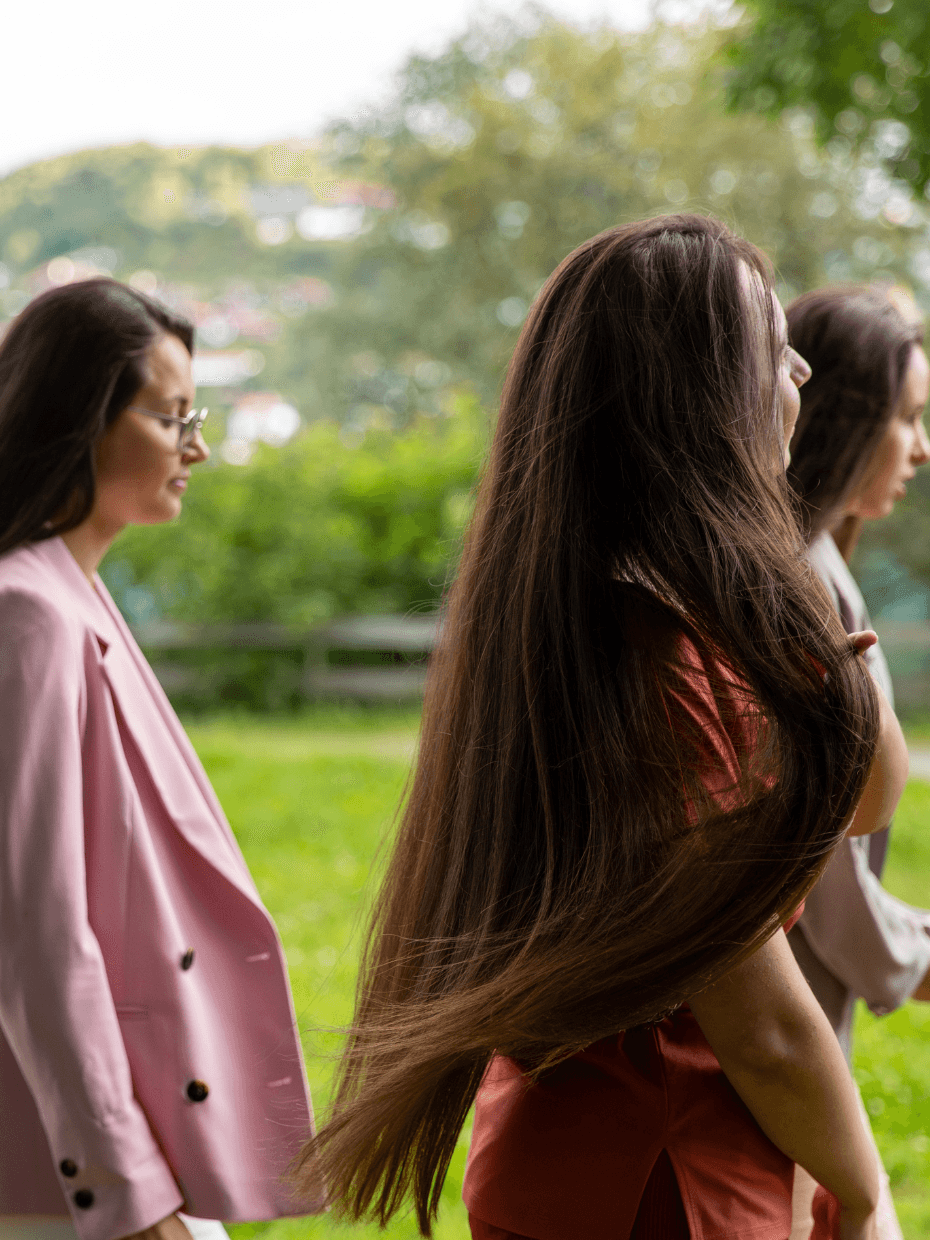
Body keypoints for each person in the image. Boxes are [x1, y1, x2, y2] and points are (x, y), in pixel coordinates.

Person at [295, 215, 909, 1240]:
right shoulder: (660, 664)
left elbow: (865, 802)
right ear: (701, 393)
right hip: (657, 1176)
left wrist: (784, 555)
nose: (801, 367)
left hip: (612, 1160)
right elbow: (761, 1027)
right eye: (771, 344)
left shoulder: (619, 614)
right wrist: (871, 1194)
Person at [0, 279, 320, 1240]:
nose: (199, 447)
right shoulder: (29, 614)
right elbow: (34, 930)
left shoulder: (71, 595)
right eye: (173, 415)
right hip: (64, 1179)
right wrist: (125, 1191)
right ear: (80, 418)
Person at [785, 284, 930, 1238]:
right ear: (843, 416)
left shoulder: (817, 568)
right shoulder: (802, 584)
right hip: (769, 1025)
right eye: (907, 418)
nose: (920, 448)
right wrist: (918, 954)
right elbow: (820, 866)